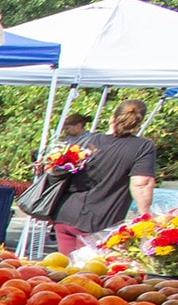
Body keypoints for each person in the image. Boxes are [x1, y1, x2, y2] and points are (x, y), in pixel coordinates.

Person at [54, 98, 158, 255]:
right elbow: (141, 183)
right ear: (138, 123)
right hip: (99, 222)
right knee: (90, 274)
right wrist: (145, 216)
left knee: (63, 270)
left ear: (112, 119)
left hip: (65, 214)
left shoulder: (89, 140)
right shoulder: (142, 147)